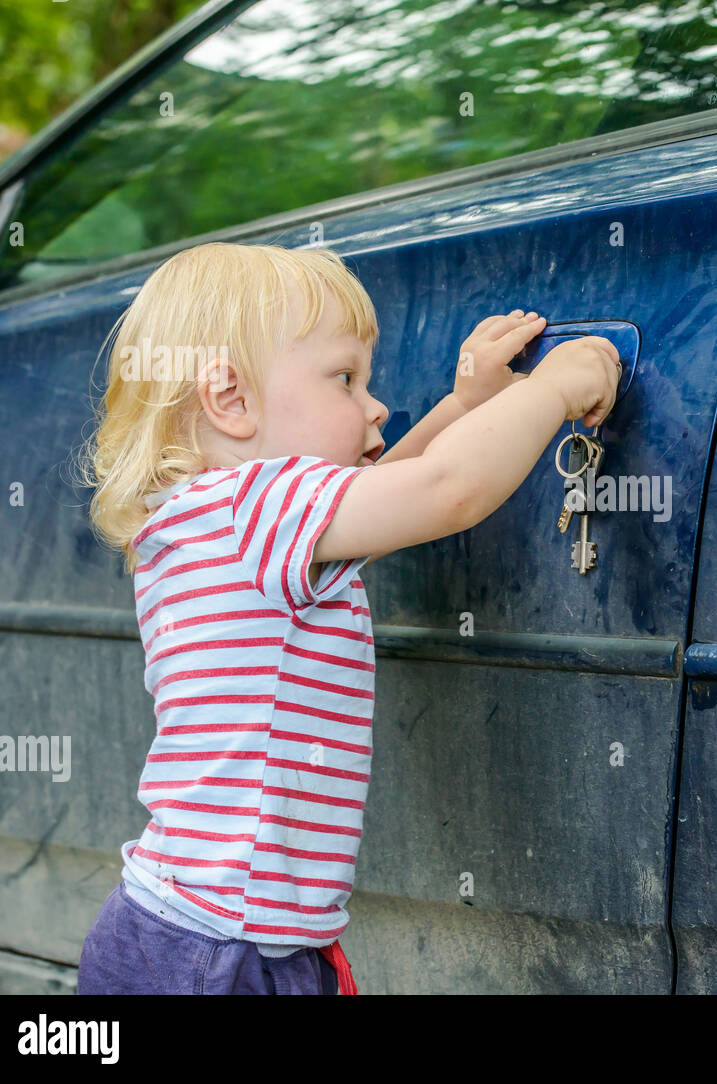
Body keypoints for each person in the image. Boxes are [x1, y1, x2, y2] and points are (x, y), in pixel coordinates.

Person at [73, 241, 620, 994]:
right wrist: (555, 387)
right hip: (222, 953)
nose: (376, 406)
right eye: (345, 379)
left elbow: (388, 488)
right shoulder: (256, 506)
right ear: (231, 401)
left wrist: (465, 407)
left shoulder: (217, 517)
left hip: (191, 936)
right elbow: (446, 489)